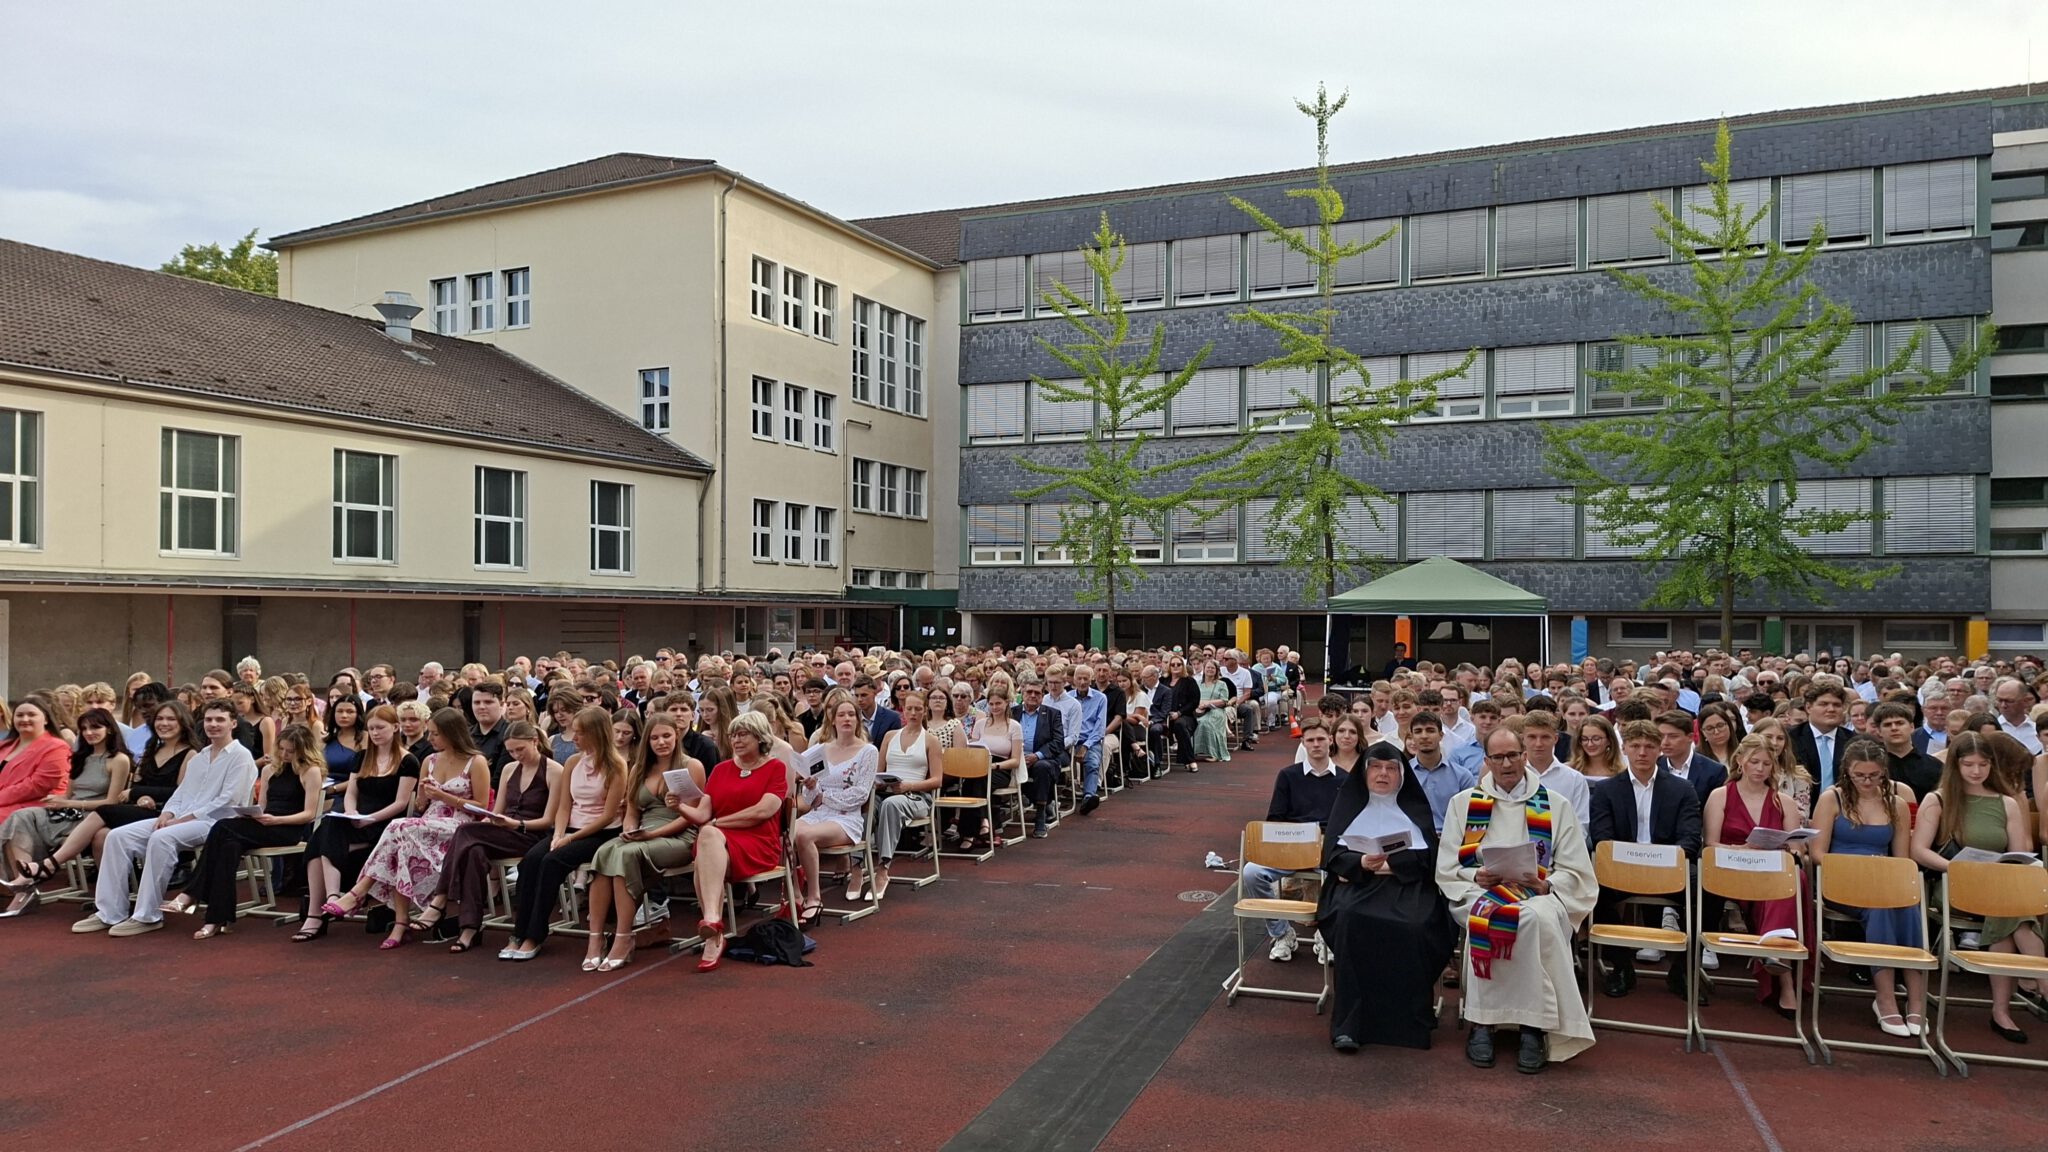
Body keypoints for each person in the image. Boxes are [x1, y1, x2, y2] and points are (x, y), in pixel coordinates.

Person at [1436, 726, 1598, 1073]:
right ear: (1487, 761)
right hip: (1481, 889)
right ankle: (1482, 1023)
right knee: (1488, 915)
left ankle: (1533, 1028)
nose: (1507, 763)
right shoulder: (1464, 804)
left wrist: (1549, 883)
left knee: (1536, 919)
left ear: (1525, 756)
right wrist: (1475, 875)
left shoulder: (1555, 805)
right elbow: (1448, 865)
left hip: (1538, 892)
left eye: (1513, 755)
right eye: (1498, 757)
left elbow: (1575, 868)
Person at [76, 699, 257, 937]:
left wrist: (182, 820)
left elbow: (228, 801)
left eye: (220, 720)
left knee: (162, 838)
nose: (214, 725)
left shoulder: (240, 756)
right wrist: (167, 813)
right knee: (117, 836)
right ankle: (110, 912)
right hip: (182, 818)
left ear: (233, 723)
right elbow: (182, 792)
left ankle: (148, 915)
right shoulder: (201, 756)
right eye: (210, 720)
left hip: (215, 823)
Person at [1319, 740, 1456, 1052]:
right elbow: (1333, 857)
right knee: (1351, 920)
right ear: (1364, 773)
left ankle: (1410, 1024)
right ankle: (1349, 1026)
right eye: (1376, 767)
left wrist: (1393, 864)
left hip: (1409, 889)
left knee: (1417, 926)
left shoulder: (1414, 810)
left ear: (1402, 775)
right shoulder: (1349, 806)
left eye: (1391, 768)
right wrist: (1362, 863)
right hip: (1357, 888)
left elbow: (1428, 860)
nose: (1383, 774)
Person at [1910, 732, 2044, 1043]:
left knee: (2010, 914)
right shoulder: (1939, 799)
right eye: (1968, 764)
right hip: (1955, 885)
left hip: (1998, 887)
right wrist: (1960, 868)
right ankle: (2033, 992)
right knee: (2015, 914)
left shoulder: (2006, 802)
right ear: (1955, 765)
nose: (1976, 771)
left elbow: (2018, 850)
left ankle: (2002, 1012)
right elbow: (1919, 851)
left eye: (1983, 764)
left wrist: (2006, 867)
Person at [322, 707, 491, 948]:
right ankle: (400, 923)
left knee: (398, 826)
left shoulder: (476, 761)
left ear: (451, 734)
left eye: (435, 734)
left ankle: (358, 892)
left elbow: (481, 806)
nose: (430, 739)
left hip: (459, 825)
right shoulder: (429, 760)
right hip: (425, 824)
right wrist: (424, 794)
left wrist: (444, 796)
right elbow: (422, 804)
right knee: (402, 848)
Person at [163, 721, 325, 938]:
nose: (285, 754)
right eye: (282, 749)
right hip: (262, 824)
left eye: (291, 751)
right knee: (229, 847)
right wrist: (254, 814)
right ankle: (217, 920)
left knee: (222, 826)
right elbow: (264, 806)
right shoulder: (269, 769)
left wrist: (277, 821)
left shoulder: (310, 771)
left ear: (303, 750)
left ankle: (191, 893)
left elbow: (309, 814)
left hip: (287, 829)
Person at [1812, 740, 1929, 1039]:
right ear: (1847, 772)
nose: (1866, 781)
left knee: (1906, 904)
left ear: (1883, 773)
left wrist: (1887, 877)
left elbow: (1901, 858)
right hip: (1843, 881)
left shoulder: (1896, 804)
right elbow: (1817, 852)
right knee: (1880, 909)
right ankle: (1885, 997)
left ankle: (1916, 999)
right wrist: (1855, 870)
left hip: (1883, 879)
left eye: (1874, 775)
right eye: (1859, 775)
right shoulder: (1832, 798)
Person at [1586, 719, 1704, 999]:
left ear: (1659, 750)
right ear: (1624, 748)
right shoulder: (1606, 790)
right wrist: (1632, 862)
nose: (1642, 752)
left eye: (1649, 746)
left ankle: (1682, 969)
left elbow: (1690, 839)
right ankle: (1622, 965)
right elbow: (1602, 838)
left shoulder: (1682, 789)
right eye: (1635, 746)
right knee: (1590, 884)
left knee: (1705, 888)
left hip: (1668, 869)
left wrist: (1661, 862)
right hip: (1620, 869)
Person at [502, 706, 626, 961]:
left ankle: (534, 935)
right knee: (530, 862)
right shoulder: (572, 762)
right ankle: (519, 932)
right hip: (569, 828)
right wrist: (559, 833)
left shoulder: (617, 766)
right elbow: (564, 805)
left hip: (601, 832)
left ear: (596, 733)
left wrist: (570, 839)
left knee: (551, 862)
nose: (575, 738)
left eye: (580, 733)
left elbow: (607, 815)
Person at [586, 713, 702, 971]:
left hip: (679, 836)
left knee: (625, 855)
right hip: (643, 832)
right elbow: (632, 813)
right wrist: (630, 830)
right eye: (655, 737)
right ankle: (595, 939)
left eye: (666, 736)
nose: (661, 742)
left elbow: (691, 818)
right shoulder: (638, 768)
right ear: (647, 740)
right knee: (604, 851)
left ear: (677, 736)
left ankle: (623, 937)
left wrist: (649, 835)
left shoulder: (691, 766)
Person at [434, 721, 561, 953]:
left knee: (464, 830)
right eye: (511, 751)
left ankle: (441, 897)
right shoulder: (509, 769)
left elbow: (549, 820)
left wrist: (516, 823)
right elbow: (498, 810)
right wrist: (489, 820)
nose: (516, 755)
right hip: (503, 830)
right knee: (474, 852)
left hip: (532, 834)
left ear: (535, 741)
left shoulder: (554, 770)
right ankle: (469, 928)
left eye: (520, 749)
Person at [1702, 734, 1804, 1017]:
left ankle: (1779, 965)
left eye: (1767, 764)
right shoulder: (1721, 795)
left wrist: (1788, 850)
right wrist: (1742, 849)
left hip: (1771, 872)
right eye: (1754, 762)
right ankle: (1780, 965)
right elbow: (1710, 844)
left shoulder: (1783, 801)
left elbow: (1797, 848)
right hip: (1733, 869)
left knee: (1793, 878)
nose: (1760, 769)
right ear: (1740, 762)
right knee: (1781, 884)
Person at [299, 705, 420, 938]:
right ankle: (333, 897)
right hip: (356, 819)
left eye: (380, 728)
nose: (375, 733)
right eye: (371, 728)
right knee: (328, 825)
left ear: (395, 728)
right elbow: (351, 793)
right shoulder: (362, 757)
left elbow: (401, 803)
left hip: (384, 823)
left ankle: (317, 913)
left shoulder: (408, 761)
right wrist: (352, 812)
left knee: (319, 841)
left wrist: (370, 819)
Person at [690, 711, 792, 973]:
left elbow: (763, 811)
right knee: (707, 837)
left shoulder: (775, 767)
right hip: (720, 841)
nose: (736, 739)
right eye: (733, 734)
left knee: (707, 840)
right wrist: (678, 804)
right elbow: (702, 814)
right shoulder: (721, 769)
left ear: (759, 737)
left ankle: (713, 933)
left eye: (743, 733)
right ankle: (713, 924)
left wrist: (717, 824)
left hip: (759, 841)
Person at [1, 707, 130, 914]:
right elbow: (68, 796)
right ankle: (24, 882)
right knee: (20, 817)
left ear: (110, 730)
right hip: (69, 813)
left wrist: (68, 804)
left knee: (101, 834)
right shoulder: (79, 757)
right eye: (84, 729)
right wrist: (56, 800)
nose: (89, 733)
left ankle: (43, 869)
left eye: (95, 727)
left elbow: (112, 802)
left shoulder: (118, 760)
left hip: (96, 816)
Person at [1245, 718, 1346, 962]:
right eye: (1310, 740)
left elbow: (1346, 823)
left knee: (1343, 875)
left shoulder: (1345, 779)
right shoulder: (1288, 776)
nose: (1316, 744)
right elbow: (1275, 817)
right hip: (1291, 844)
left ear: (1330, 741)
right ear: (1303, 743)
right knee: (1251, 872)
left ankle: (1327, 934)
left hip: (1325, 847)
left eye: (1321, 739)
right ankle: (1281, 933)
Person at [791, 692, 878, 921]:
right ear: (833, 720)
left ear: (858, 720)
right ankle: (795, 894)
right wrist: (810, 786)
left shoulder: (868, 751)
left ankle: (815, 897)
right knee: (784, 833)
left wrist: (824, 796)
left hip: (846, 818)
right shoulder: (819, 750)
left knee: (804, 836)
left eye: (852, 714)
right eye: (842, 714)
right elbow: (810, 799)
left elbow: (860, 794)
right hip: (818, 813)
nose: (847, 718)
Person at [871, 687, 945, 899]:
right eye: (909, 709)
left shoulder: (931, 740)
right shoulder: (889, 736)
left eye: (918, 709)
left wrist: (908, 786)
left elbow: (937, 780)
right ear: (902, 710)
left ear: (925, 712)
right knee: (867, 804)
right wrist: (880, 783)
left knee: (891, 804)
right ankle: (859, 864)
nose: (913, 713)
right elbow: (879, 770)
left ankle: (883, 868)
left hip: (917, 797)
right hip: (888, 792)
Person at [0, 696, 73, 829]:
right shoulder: (5, 745)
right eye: (20, 715)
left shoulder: (57, 747)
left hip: (35, 807)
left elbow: (38, 785)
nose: (25, 719)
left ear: (46, 719)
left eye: (31, 715)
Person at [1404, 711, 1475, 834]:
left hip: (1451, 839)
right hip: (1415, 841)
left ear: (1441, 735)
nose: (1424, 736)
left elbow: (1470, 816)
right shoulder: (1403, 774)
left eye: (1430, 730)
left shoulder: (1462, 776)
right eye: (1418, 731)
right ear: (1412, 737)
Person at [1016, 681, 1067, 838]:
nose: (1033, 695)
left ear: (1043, 696)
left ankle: (1040, 816)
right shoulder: (1012, 712)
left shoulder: (1052, 714)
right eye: (1029, 692)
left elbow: (1058, 742)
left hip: (1042, 758)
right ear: (1022, 694)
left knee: (1042, 768)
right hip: (1016, 758)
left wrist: (1036, 755)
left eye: (1037, 693)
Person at [1657, 708, 1729, 804]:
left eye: (1673, 736)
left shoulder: (1714, 771)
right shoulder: (1653, 767)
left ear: (1690, 737)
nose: (1665, 742)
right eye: (1661, 736)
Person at [1790, 683, 1852, 792]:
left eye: (1837, 705)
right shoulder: (1790, 738)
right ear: (1808, 707)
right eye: (1824, 704)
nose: (1831, 709)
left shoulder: (1854, 741)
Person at [1192, 659, 1233, 764]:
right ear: (1204, 669)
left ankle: (1215, 753)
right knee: (1195, 722)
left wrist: (1208, 703)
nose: (1210, 670)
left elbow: (1224, 700)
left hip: (1216, 710)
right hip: (1199, 709)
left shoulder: (1222, 684)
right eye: (1208, 667)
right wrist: (1200, 704)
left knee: (1206, 723)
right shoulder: (1197, 683)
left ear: (1217, 670)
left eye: (1212, 668)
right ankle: (1194, 751)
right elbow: (1192, 698)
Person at [1569, 714, 1623, 780]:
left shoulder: (1622, 773)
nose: (1590, 744)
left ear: (1609, 740)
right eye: (1584, 739)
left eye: (1596, 739)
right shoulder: (1569, 771)